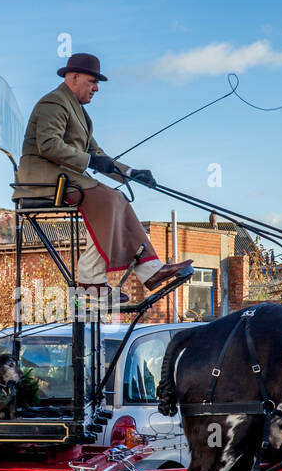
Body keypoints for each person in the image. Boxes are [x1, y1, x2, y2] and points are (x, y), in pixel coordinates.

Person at [16, 52, 193, 301]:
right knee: (109, 200)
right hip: (45, 181)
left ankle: (151, 270)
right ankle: (90, 280)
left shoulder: (77, 111)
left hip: (66, 179)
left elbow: (96, 153)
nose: (96, 88)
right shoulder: (53, 103)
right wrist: (90, 161)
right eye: (92, 81)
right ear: (74, 77)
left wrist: (131, 173)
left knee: (118, 199)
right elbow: (49, 145)